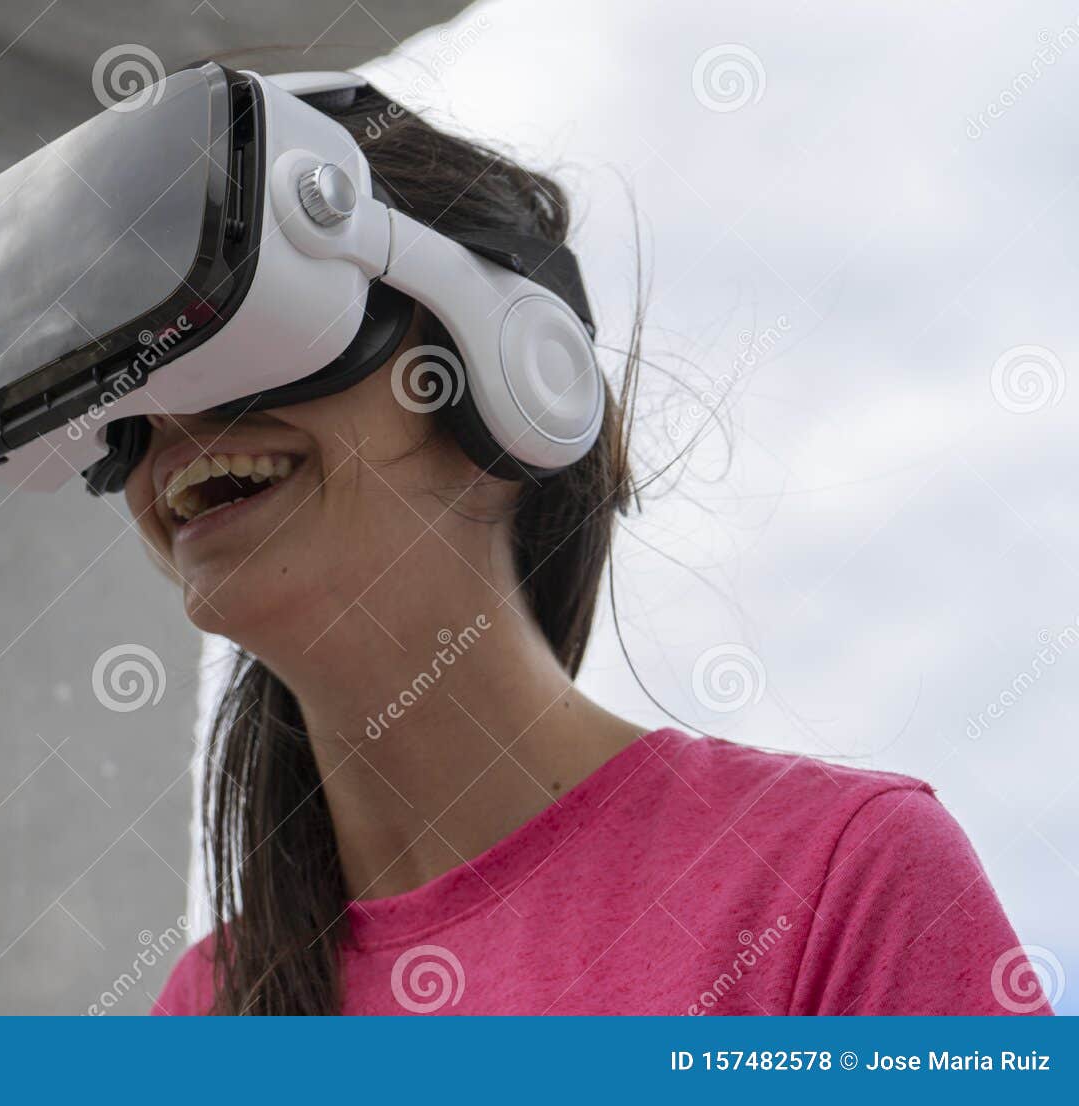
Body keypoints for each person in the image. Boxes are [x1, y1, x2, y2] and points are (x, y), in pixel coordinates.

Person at [130, 86, 1049, 1016]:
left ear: (514, 377)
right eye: (118, 402)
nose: (165, 421)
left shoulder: (836, 881)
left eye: (256, 332)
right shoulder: (203, 1004)